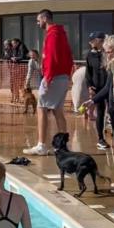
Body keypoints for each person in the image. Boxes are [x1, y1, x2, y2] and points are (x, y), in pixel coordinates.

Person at [83, 36, 114, 205]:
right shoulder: (113, 67)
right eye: (106, 51)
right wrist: (93, 100)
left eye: (109, 51)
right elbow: (107, 88)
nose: (107, 54)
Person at [24, 10, 74, 156]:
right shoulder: (61, 34)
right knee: (58, 111)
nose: (38, 22)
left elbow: (51, 57)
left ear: (45, 18)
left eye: (38, 20)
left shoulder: (53, 34)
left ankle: (41, 145)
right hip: (62, 77)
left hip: (54, 77)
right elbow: (68, 57)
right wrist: (67, 75)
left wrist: (47, 77)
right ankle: (63, 146)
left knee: (41, 108)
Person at [85, 32, 110, 150]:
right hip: (98, 87)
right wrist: (90, 86)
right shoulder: (90, 55)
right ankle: (100, 138)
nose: (90, 43)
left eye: (92, 41)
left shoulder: (108, 53)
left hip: (109, 86)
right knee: (100, 111)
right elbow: (88, 72)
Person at [8, 38, 29, 103]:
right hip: (17, 68)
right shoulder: (14, 48)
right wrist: (12, 58)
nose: (12, 45)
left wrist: (16, 58)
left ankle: (24, 98)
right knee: (15, 83)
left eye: (13, 43)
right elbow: (8, 55)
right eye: (12, 44)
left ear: (17, 42)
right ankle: (17, 98)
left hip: (23, 67)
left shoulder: (21, 46)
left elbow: (23, 56)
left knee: (22, 84)